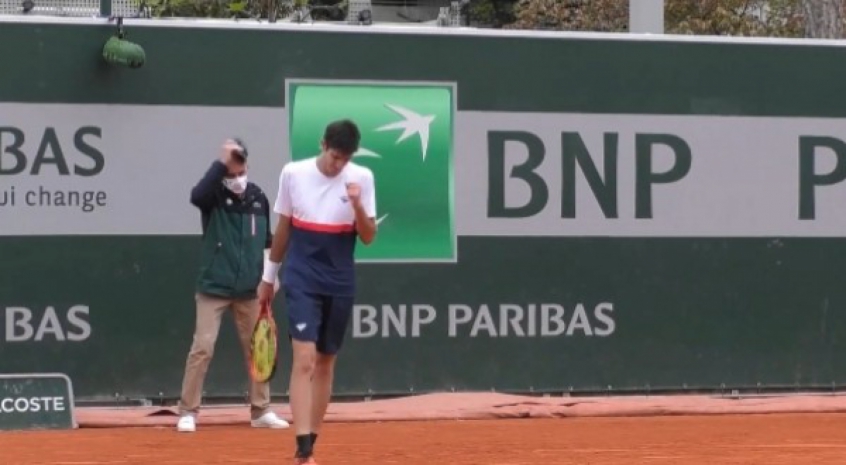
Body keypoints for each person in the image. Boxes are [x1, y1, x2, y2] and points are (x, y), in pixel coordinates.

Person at [258, 120, 377, 464]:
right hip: (302, 277)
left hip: (340, 279)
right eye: (335, 155)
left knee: (326, 362)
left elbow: (368, 237)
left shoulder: (363, 178)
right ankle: (303, 450)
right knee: (305, 359)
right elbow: (283, 229)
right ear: (323, 144)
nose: (338, 164)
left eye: (345, 158)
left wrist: (356, 206)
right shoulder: (293, 173)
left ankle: (311, 440)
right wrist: (269, 278)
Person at [176, 138, 290, 433]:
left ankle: (261, 410)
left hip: (250, 289)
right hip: (214, 285)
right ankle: (188, 411)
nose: (238, 180)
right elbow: (196, 195)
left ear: (248, 167)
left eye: (241, 173)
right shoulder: (211, 196)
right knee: (202, 347)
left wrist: (270, 276)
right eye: (232, 174)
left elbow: (267, 241)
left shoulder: (258, 197)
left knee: (259, 349)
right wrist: (220, 164)